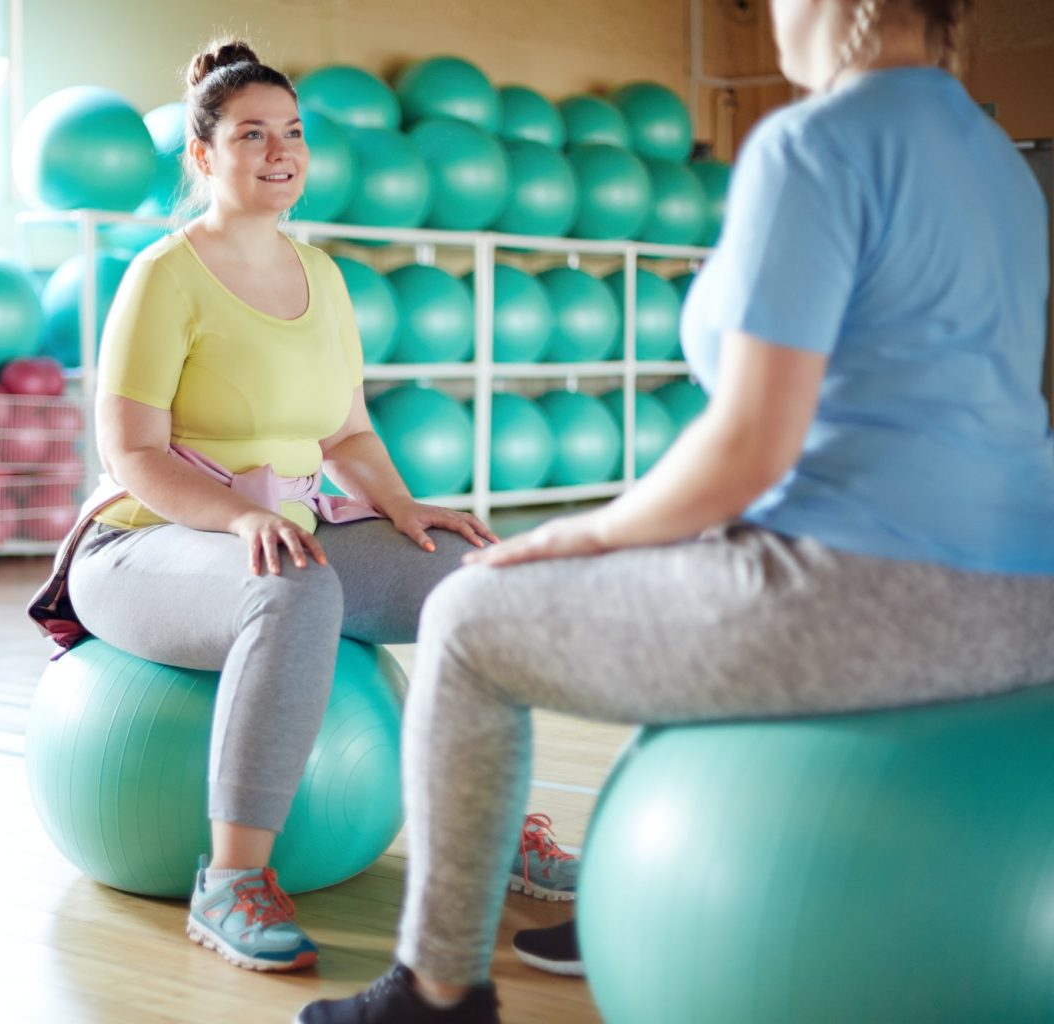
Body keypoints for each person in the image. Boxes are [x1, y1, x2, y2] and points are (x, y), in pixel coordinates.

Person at [298, 0, 1054, 1019]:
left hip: (863, 598)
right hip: (1026, 603)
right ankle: (625, 881)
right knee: (672, 569)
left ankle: (434, 991)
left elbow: (750, 443)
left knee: (468, 621)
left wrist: (582, 532)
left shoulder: (812, 142)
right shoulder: (999, 161)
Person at [54, 39, 508, 973]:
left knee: (480, 580)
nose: (279, 151)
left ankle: (497, 830)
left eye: (292, 133)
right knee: (295, 589)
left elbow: (347, 436)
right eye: (252, 134)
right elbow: (129, 452)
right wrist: (234, 514)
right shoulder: (162, 275)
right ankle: (231, 882)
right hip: (144, 545)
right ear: (202, 156)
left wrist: (406, 507)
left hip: (281, 532)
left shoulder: (327, 278)